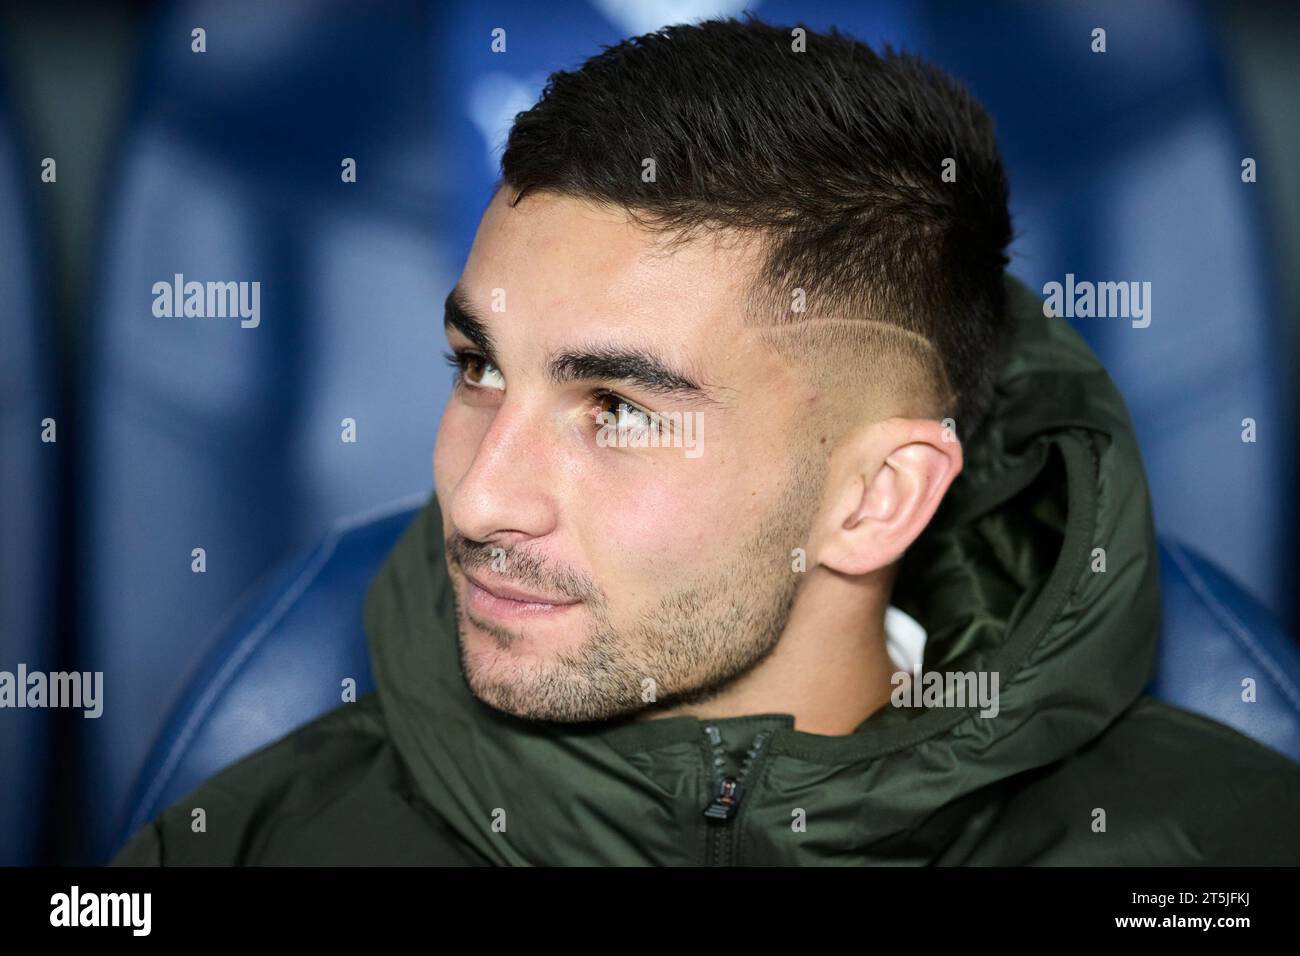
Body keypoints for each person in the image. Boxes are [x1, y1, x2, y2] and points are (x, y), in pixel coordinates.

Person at [112, 15, 1300, 866]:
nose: (477, 501)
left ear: (877, 498)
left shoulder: (1220, 847)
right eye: (478, 368)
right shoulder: (255, 837)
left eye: (618, 411)